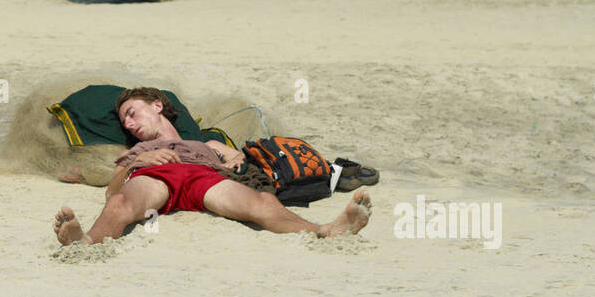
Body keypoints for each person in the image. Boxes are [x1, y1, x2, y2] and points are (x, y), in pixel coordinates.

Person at [53, 87, 370, 245]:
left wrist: (235, 159)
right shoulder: (137, 150)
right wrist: (138, 160)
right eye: (124, 120)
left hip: (203, 175)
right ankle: (87, 243)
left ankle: (324, 230)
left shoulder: (207, 145)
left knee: (260, 202)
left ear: (158, 106)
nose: (129, 122)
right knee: (123, 203)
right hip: (154, 175)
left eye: (133, 112)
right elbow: (111, 195)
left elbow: (239, 161)